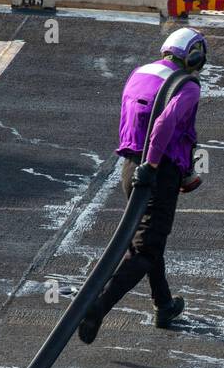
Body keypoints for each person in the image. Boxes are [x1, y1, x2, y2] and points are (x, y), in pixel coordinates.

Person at [78, 28, 206, 344]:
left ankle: (164, 305)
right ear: (193, 56)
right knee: (145, 247)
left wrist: (139, 164)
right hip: (156, 171)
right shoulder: (188, 86)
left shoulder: (140, 72)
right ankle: (96, 307)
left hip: (128, 167)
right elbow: (164, 124)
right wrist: (152, 166)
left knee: (149, 239)